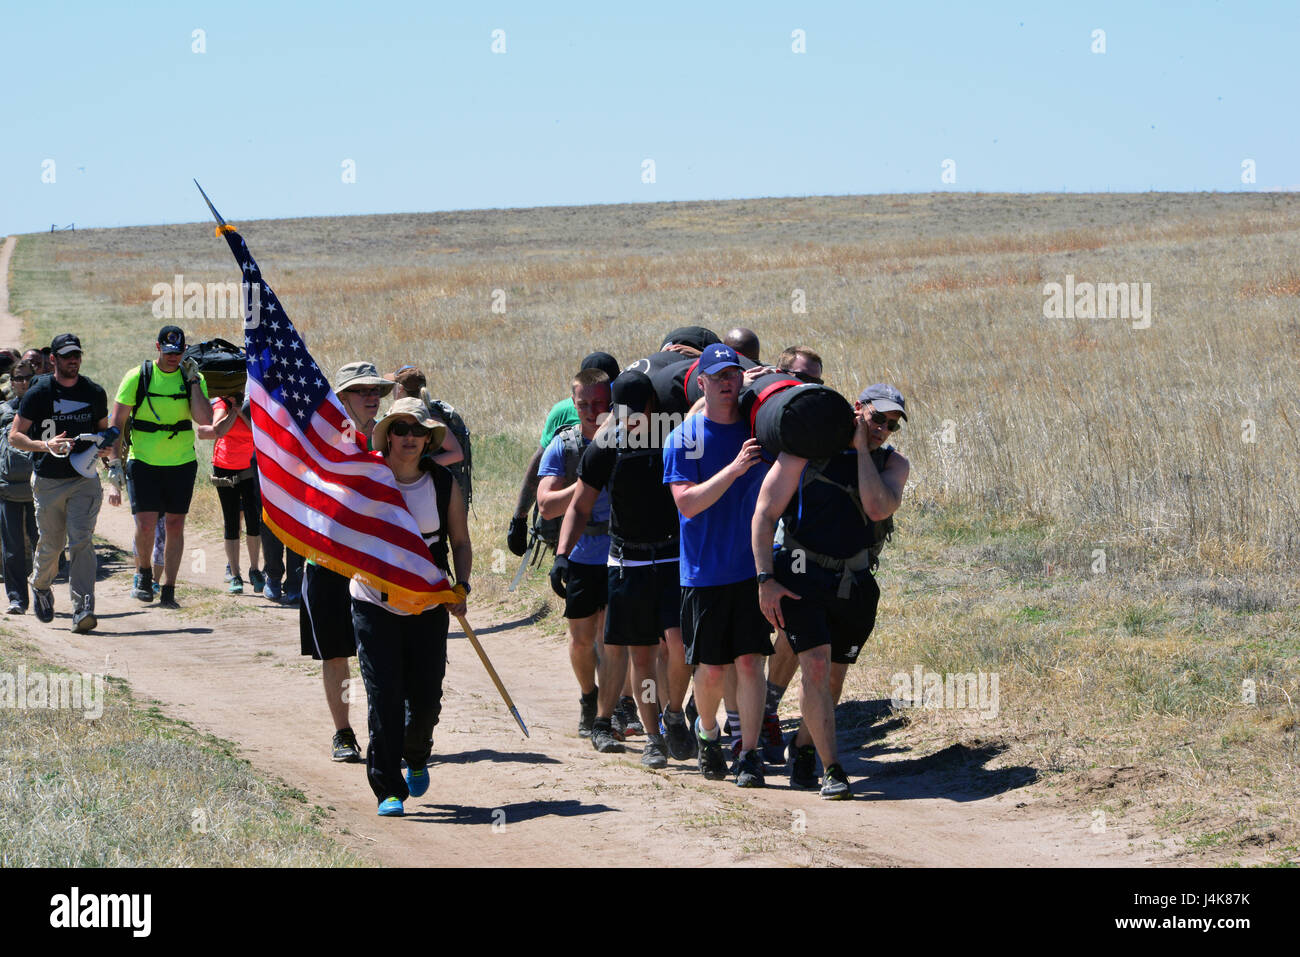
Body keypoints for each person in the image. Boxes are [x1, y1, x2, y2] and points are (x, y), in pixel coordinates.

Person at [752, 383, 910, 798]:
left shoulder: (893, 464)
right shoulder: (806, 450)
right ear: (857, 409)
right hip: (801, 576)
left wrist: (861, 450)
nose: (883, 430)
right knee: (817, 667)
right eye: (878, 419)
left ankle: (803, 747)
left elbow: (877, 507)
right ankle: (833, 769)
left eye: (892, 425)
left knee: (834, 676)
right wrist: (766, 580)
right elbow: (765, 514)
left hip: (854, 583)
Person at [559, 370, 696, 768]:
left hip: (673, 558)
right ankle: (654, 737)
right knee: (640, 656)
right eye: (624, 411)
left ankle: (674, 713)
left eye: (639, 410)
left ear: (653, 407)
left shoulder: (673, 437)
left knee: (681, 646)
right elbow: (581, 505)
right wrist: (563, 554)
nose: (632, 417)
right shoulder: (605, 445)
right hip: (627, 562)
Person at [351, 397, 470, 816]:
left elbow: (459, 541)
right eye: (400, 429)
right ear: (388, 435)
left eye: (418, 431)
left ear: (428, 438)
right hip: (373, 602)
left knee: (425, 698)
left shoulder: (441, 483)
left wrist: (462, 585)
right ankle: (387, 788)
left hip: (428, 604)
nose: (409, 438)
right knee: (384, 697)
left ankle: (417, 754)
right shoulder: (367, 477)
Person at [663, 343, 773, 787]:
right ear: (702, 383)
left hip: (750, 570)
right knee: (711, 669)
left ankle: (748, 753)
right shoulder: (684, 438)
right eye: (718, 376)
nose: (728, 383)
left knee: (749, 663)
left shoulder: (755, 428)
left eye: (734, 375)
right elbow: (687, 503)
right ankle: (707, 733)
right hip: (704, 572)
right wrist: (734, 468)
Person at [302, 361, 391, 763]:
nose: (371, 397)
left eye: (375, 390)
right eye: (361, 391)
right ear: (340, 398)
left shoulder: (393, 437)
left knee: (382, 652)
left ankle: (384, 731)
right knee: (335, 652)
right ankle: (343, 732)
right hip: (327, 559)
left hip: (377, 563)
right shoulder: (321, 442)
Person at [8, 333, 113, 631]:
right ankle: (41, 585)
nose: (73, 360)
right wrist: (46, 446)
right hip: (48, 480)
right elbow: (14, 435)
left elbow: (103, 432)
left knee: (81, 540)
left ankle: (83, 607)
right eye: (66, 356)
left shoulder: (93, 391)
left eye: (77, 354)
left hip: (84, 478)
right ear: (53, 359)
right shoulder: (38, 393)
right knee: (53, 545)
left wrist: (106, 453)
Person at [109, 325, 212, 608]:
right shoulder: (137, 377)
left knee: (176, 525)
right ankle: (143, 574)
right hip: (143, 462)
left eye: (178, 353)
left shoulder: (192, 377)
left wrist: (193, 383)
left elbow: (204, 420)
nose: (173, 358)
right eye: (168, 353)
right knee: (146, 525)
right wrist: (114, 463)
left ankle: (169, 588)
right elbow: (116, 425)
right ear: (157, 348)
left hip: (181, 463)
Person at [538, 369, 613, 739]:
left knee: (617, 640)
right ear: (573, 402)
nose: (591, 410)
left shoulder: (628, 440)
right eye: (583, 403)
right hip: (582, 554)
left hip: (620, 555)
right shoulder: (563, 447)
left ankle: (615, 709)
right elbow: (547, 506)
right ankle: (589, 697)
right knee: (583, 639)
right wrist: (586, 485)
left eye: (599, 403)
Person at [505, 352, 620, 556]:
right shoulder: (628, 414)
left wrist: (519, 516)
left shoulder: (561, 411)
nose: (592, 412)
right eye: (583, 403)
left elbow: (537, 462)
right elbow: (543, 464)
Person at [197, 392, 262, 595]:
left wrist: (241, 411)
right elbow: (219, 430)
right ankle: (235, 574)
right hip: (225, 467)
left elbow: (258, 431)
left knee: (253, 519)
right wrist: (232, 411)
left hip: (250, 467)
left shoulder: (254, 404)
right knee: (232, 520)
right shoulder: (221, 404)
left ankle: (255, 570)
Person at [0, 361, 39, 613]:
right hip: (7, 487)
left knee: (43, 545)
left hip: (40, 487)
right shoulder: (3, 411)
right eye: (18, 378)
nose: (22, 382)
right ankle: (17, 599)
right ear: (11, 381)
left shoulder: (43, 408)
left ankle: (42, 591)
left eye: (27, 378)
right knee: (11, 547)